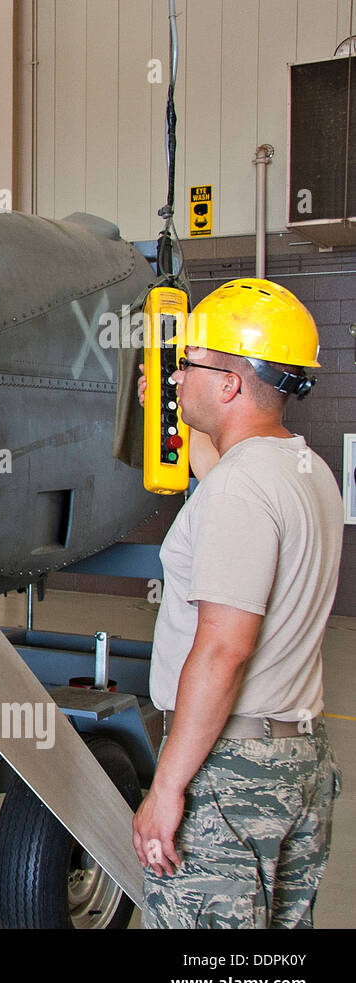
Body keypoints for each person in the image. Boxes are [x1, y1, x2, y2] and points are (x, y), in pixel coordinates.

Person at [132, 277, 343, 928]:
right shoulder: (304, 470)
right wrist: (162, 413)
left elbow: (223, 650)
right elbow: (228, 478)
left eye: (187, 363)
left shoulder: (240, 491)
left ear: (228, 383)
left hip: (230, 773)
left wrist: (167, 788)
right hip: (297, 763)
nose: (175, 376)